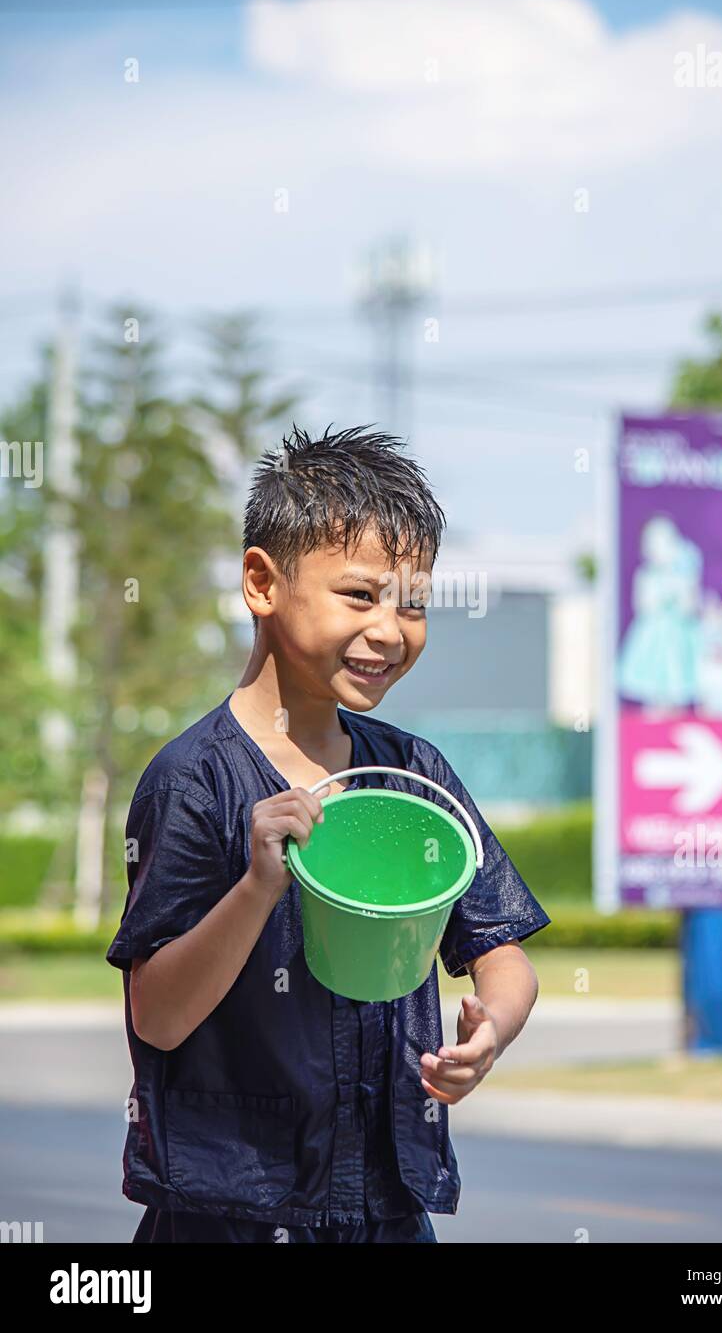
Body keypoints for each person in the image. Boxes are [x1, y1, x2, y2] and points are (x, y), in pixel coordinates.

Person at [105, 423, 551, 1244]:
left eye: (413, 602)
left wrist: (494, 1022)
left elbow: (501, 947)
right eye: (360, 595)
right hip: (230, 1212)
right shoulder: (196, 780)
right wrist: (256, 885)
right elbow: (157, 1016)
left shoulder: (412, 775)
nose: (392, 629)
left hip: (384, 1208)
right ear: (261, 583)